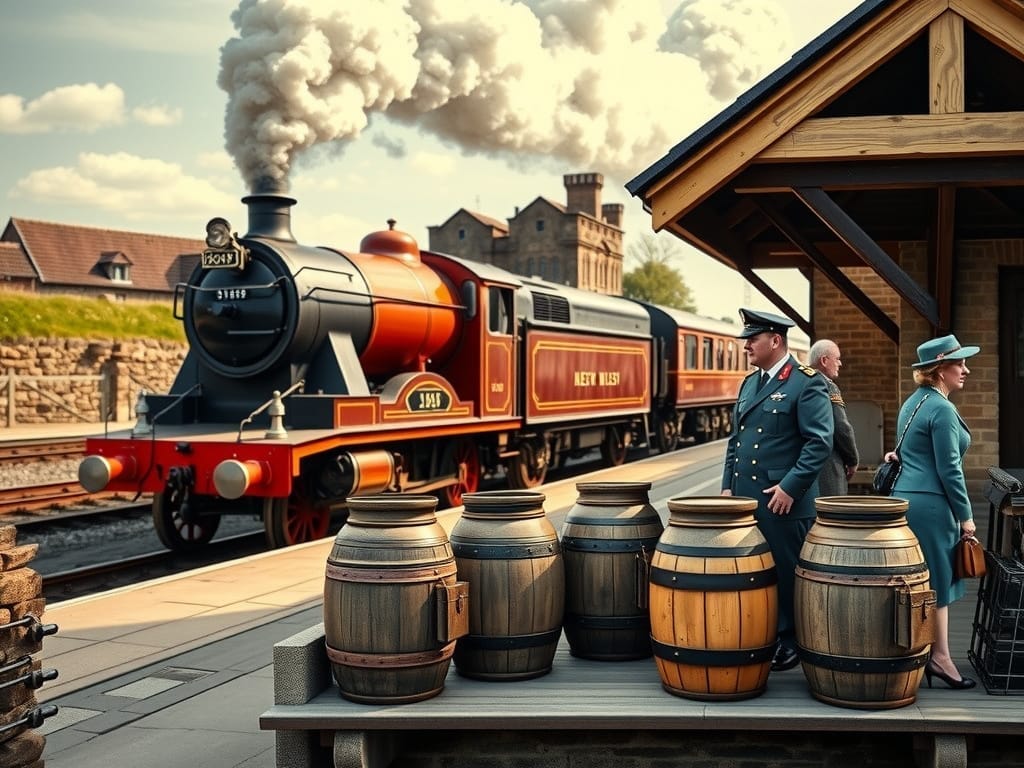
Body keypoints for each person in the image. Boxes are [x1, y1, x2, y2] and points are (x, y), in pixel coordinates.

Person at [722, 308, 834, 672]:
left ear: (775, 340)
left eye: (752, 340)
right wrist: (726, 487)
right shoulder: (749, 383)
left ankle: (790, 641)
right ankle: (764, 633)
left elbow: (819, 443)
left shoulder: (806, 381)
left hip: (781, 501)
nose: (746, 347)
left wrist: (790, 487)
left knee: (786, 573)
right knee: (754, 572)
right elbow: (735, 441)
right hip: (745, 498)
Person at [886, 334, 979, 690]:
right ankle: (939, 657)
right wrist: (966, 515)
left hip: (907, 499)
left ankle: (925, 653)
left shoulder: (913, 402)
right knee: (938, 582)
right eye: (959, 364)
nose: (966, 370)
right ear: (940, 369)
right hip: (933, 504)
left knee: (922, 582)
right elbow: (950, 469)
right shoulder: (941, 408)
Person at [808, 339, 860, 496]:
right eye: (837, 359)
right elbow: (841, 427)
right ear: (824, 360)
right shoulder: (827, 385)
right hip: (827, 467)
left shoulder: (801, 382)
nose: (840, 363)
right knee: (832, 516)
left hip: (802, 469)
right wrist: (852, 460)